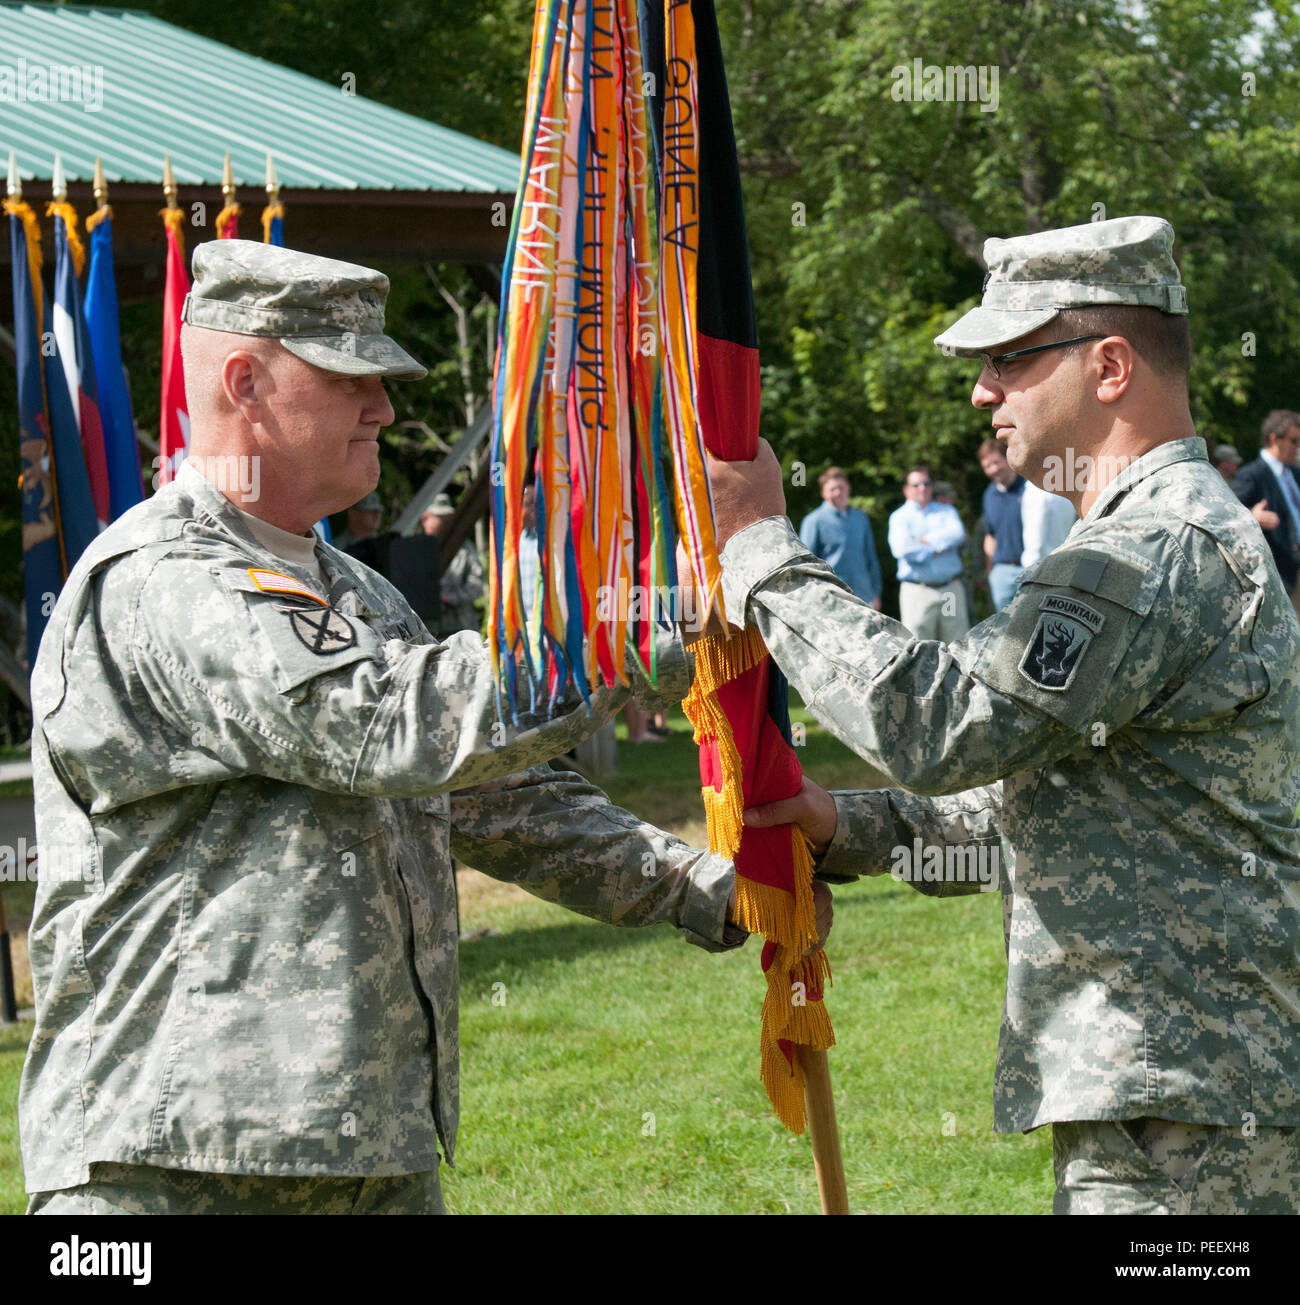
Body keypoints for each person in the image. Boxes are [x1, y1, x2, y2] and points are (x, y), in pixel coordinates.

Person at [19, 240, 825, 1215]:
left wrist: (721, 891)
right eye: (354, 378)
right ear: (247, 384)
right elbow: (385, 725)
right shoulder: (165, 580)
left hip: (360, 1152)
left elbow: (500, 803)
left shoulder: (346, 591)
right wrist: (650, 621)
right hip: (165, 1167)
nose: (386, 410)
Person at [706, 215, 1300, 1214]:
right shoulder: (1158, 535)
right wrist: (841, 823)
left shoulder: (1144, 552)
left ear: (1110, 365)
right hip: (1182, 1098)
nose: (983, 391)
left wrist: (762, 549)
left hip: (1184, 1119)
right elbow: (1034, 818)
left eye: (1012, 358)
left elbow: (941, 725)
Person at [887, 465, 969, 639]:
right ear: (906, 489)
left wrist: (925, 541)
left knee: (956, 642)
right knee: (920, 647)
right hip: (918, 592)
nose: (923, 488)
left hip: (949, 591)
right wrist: (941, 547)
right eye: (916, 485)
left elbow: (957, 534)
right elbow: (902, 549)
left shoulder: (946, 511)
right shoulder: (899, 517)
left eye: (926, 483)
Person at [1233, 411, 1300, 616]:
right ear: (1274, 439)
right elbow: (1229, 518)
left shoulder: (1295, 473)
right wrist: (1251, 518)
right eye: (1294, 440)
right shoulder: (1252, 474)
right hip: (1275, 574)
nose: (1298, 447)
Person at [798, 467, 882, 610]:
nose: (838, 492)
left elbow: (871, 559)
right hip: (831, 597)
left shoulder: (860, 518)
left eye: (841, 488)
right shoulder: (813, 521)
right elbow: (805, 564)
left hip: (864, 597)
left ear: (848, 488)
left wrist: (876, 593)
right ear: (823, 493)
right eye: (832, 489)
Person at [421, 491, 486, 637]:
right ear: (425, 518)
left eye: (448, 517)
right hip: (427, 631)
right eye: (440, 517)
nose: (446, 521)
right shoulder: (415, 549)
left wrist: (451, 598)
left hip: (461, 629)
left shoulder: (464, 547)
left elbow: (476, 583)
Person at [978, 438, 1026, 609]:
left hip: (1030, 568)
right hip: (1002, 574)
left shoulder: (1030, 488)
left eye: (996, 462)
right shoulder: (988, 495)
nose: (993, 469)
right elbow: (990, 536)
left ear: (1007, 458)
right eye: (987, 466)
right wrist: (991, 573)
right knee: (1004, 632)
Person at [1018, 478, 1077, 567]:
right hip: (1062, 561)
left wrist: (1030, 566)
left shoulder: (1036, 492)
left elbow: (1036, 541)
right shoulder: (1065, 491)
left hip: (1040, 566)